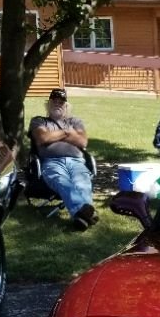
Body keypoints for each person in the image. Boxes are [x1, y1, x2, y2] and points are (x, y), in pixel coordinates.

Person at [30, 88, 97, 231]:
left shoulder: (75, 121)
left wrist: (54, 135)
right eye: (54, 101)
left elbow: (82, 142)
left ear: (66, 106)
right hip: (51, 162)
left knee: (82, 183)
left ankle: (81, 216)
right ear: (48, 104)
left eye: (61, 102)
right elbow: (43, 138)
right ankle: (86, 213)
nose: (57, 104)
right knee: (63, 182)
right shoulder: (39, 121)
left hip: (77, 162)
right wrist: (67, 133)